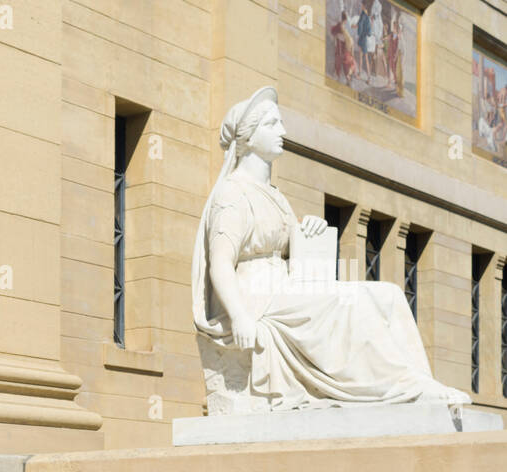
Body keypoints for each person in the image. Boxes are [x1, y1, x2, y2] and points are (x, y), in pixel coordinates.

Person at [191, 87, 468, 414]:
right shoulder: (231, 194)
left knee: (389, 296)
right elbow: (220, 264)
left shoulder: (274, 195)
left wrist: (306, 231)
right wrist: (239, 316)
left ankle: (419, 383)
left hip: (286, 288)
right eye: (272, 124)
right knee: (348, 304)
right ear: (248, 137)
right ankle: (398, 389)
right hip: (259, 298)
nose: (283, 131)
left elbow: (285, 248)